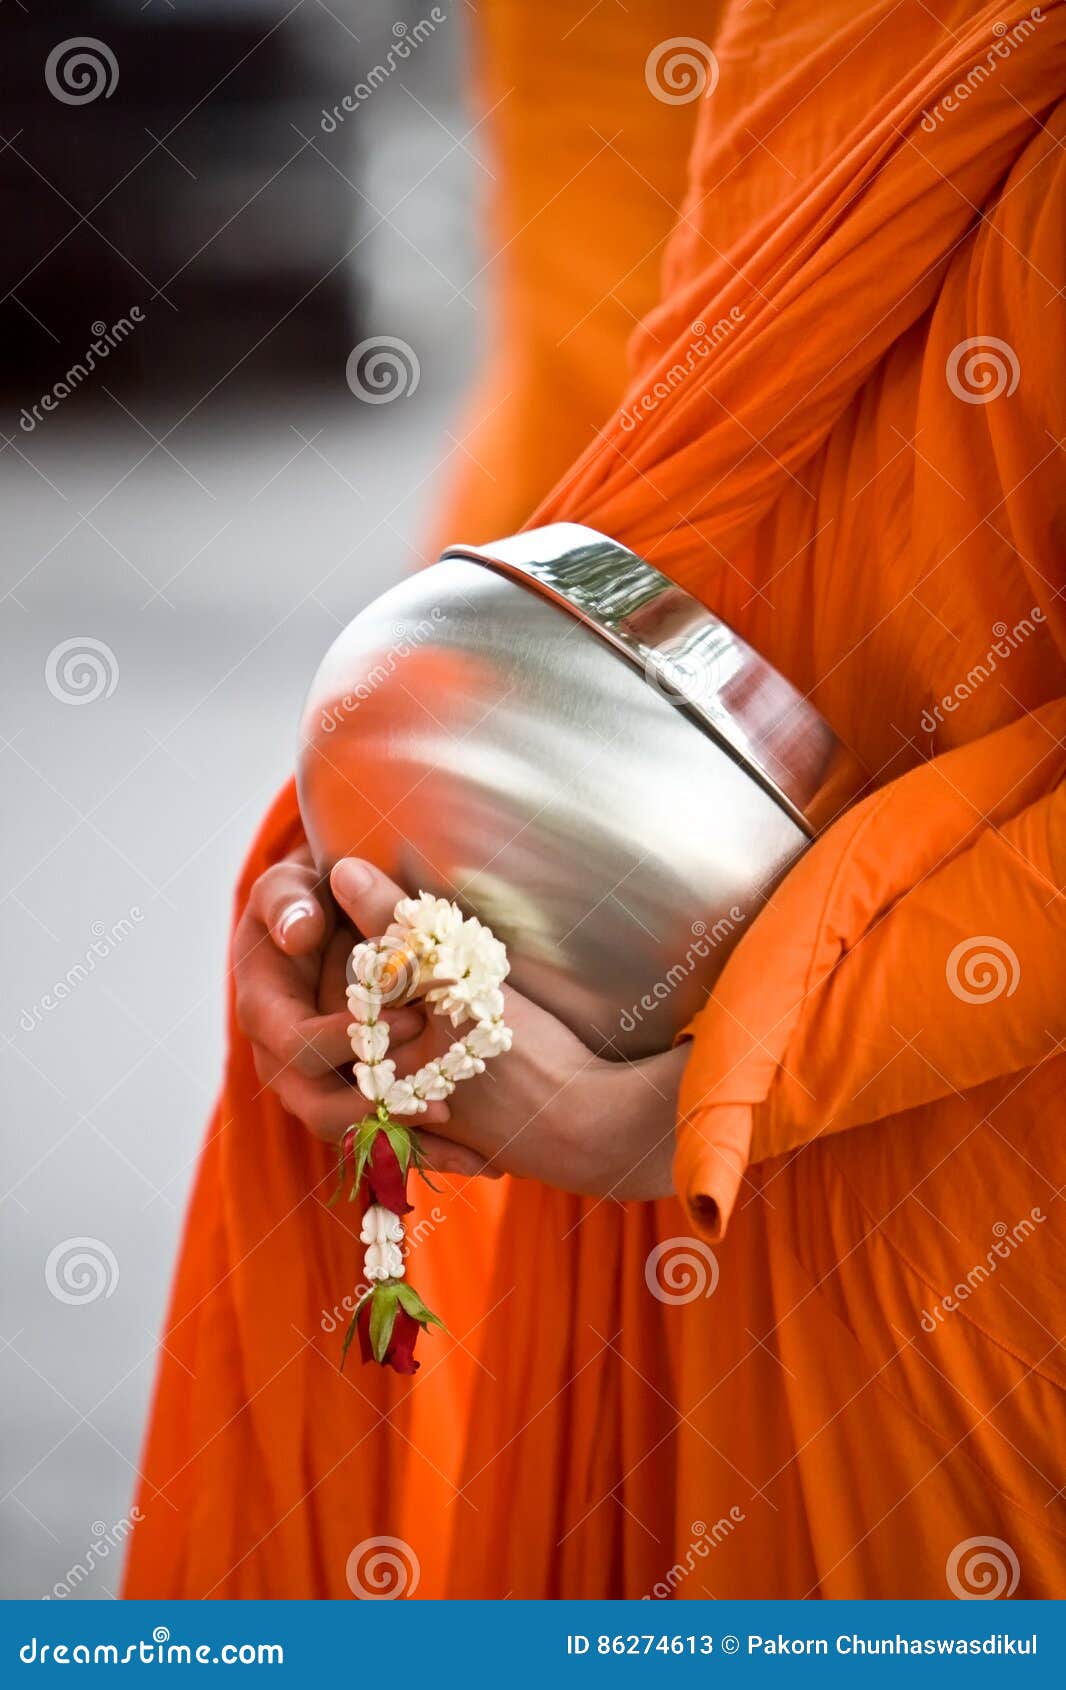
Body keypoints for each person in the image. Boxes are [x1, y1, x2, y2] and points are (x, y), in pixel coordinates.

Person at [125, 0, 1066, 1599]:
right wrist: (397, 819)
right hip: (667, 1043)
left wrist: (712, 1094)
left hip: (967, 1161)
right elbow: (641, 444)